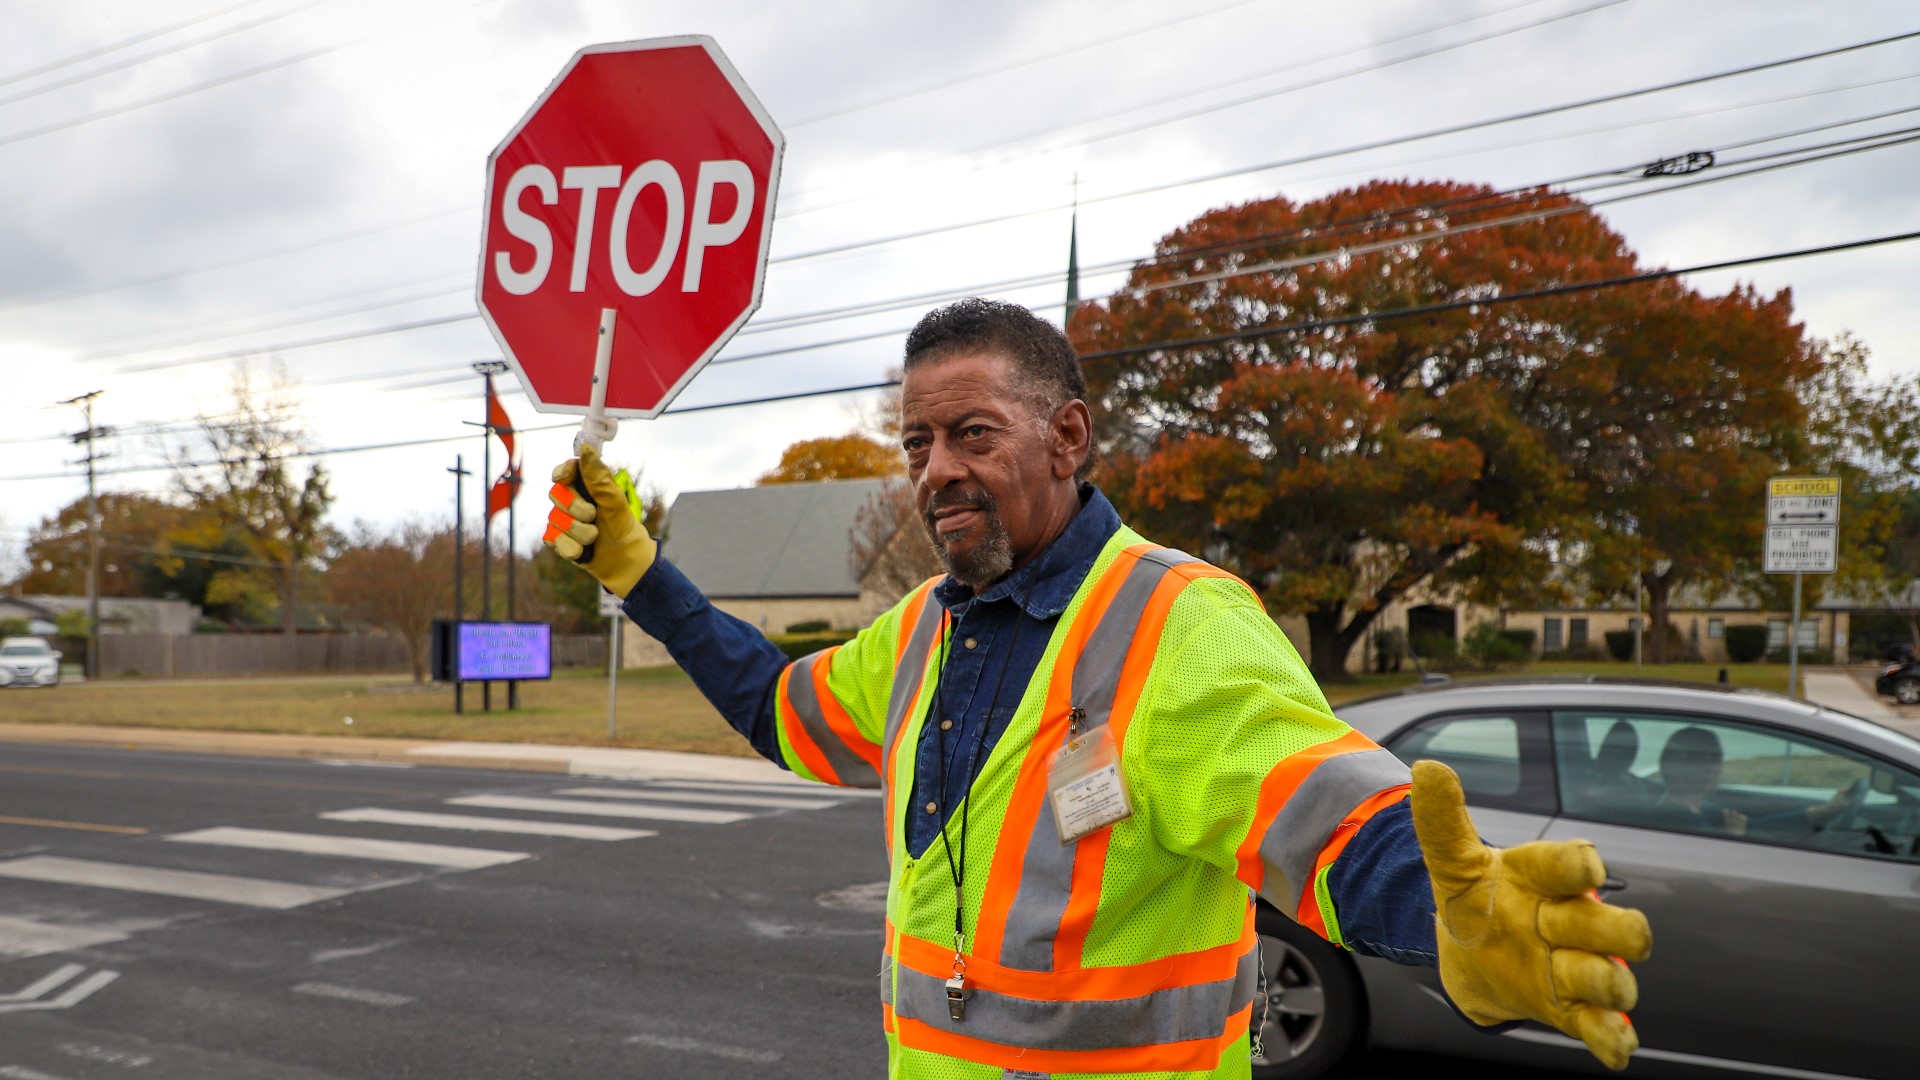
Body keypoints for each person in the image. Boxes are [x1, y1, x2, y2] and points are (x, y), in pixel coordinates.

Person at [545, 298, 1650, 1078]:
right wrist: (641, 574)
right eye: (918, 442)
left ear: (1068, 435)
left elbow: (1317, 805)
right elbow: (784, 710)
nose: (936, 470)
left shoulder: (1180, 622)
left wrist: (1448, 913)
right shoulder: (926, 630)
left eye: (972, 432)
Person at [1653, 725, 1864, 838]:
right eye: (1700, 760)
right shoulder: (1674, 820)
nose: (1712, 768)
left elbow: (1759, 828)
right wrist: (1735, 840)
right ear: (1677, 765)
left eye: (1716, 758)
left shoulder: (1701, 810)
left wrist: (1825, 811)